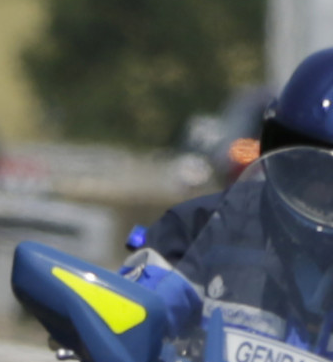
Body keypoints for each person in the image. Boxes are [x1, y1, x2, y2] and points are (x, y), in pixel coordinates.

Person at [142, 50, 333, 264]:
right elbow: (146, 289)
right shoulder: (198, 228)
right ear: (270, 142)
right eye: (305, 162)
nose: (323, 189)